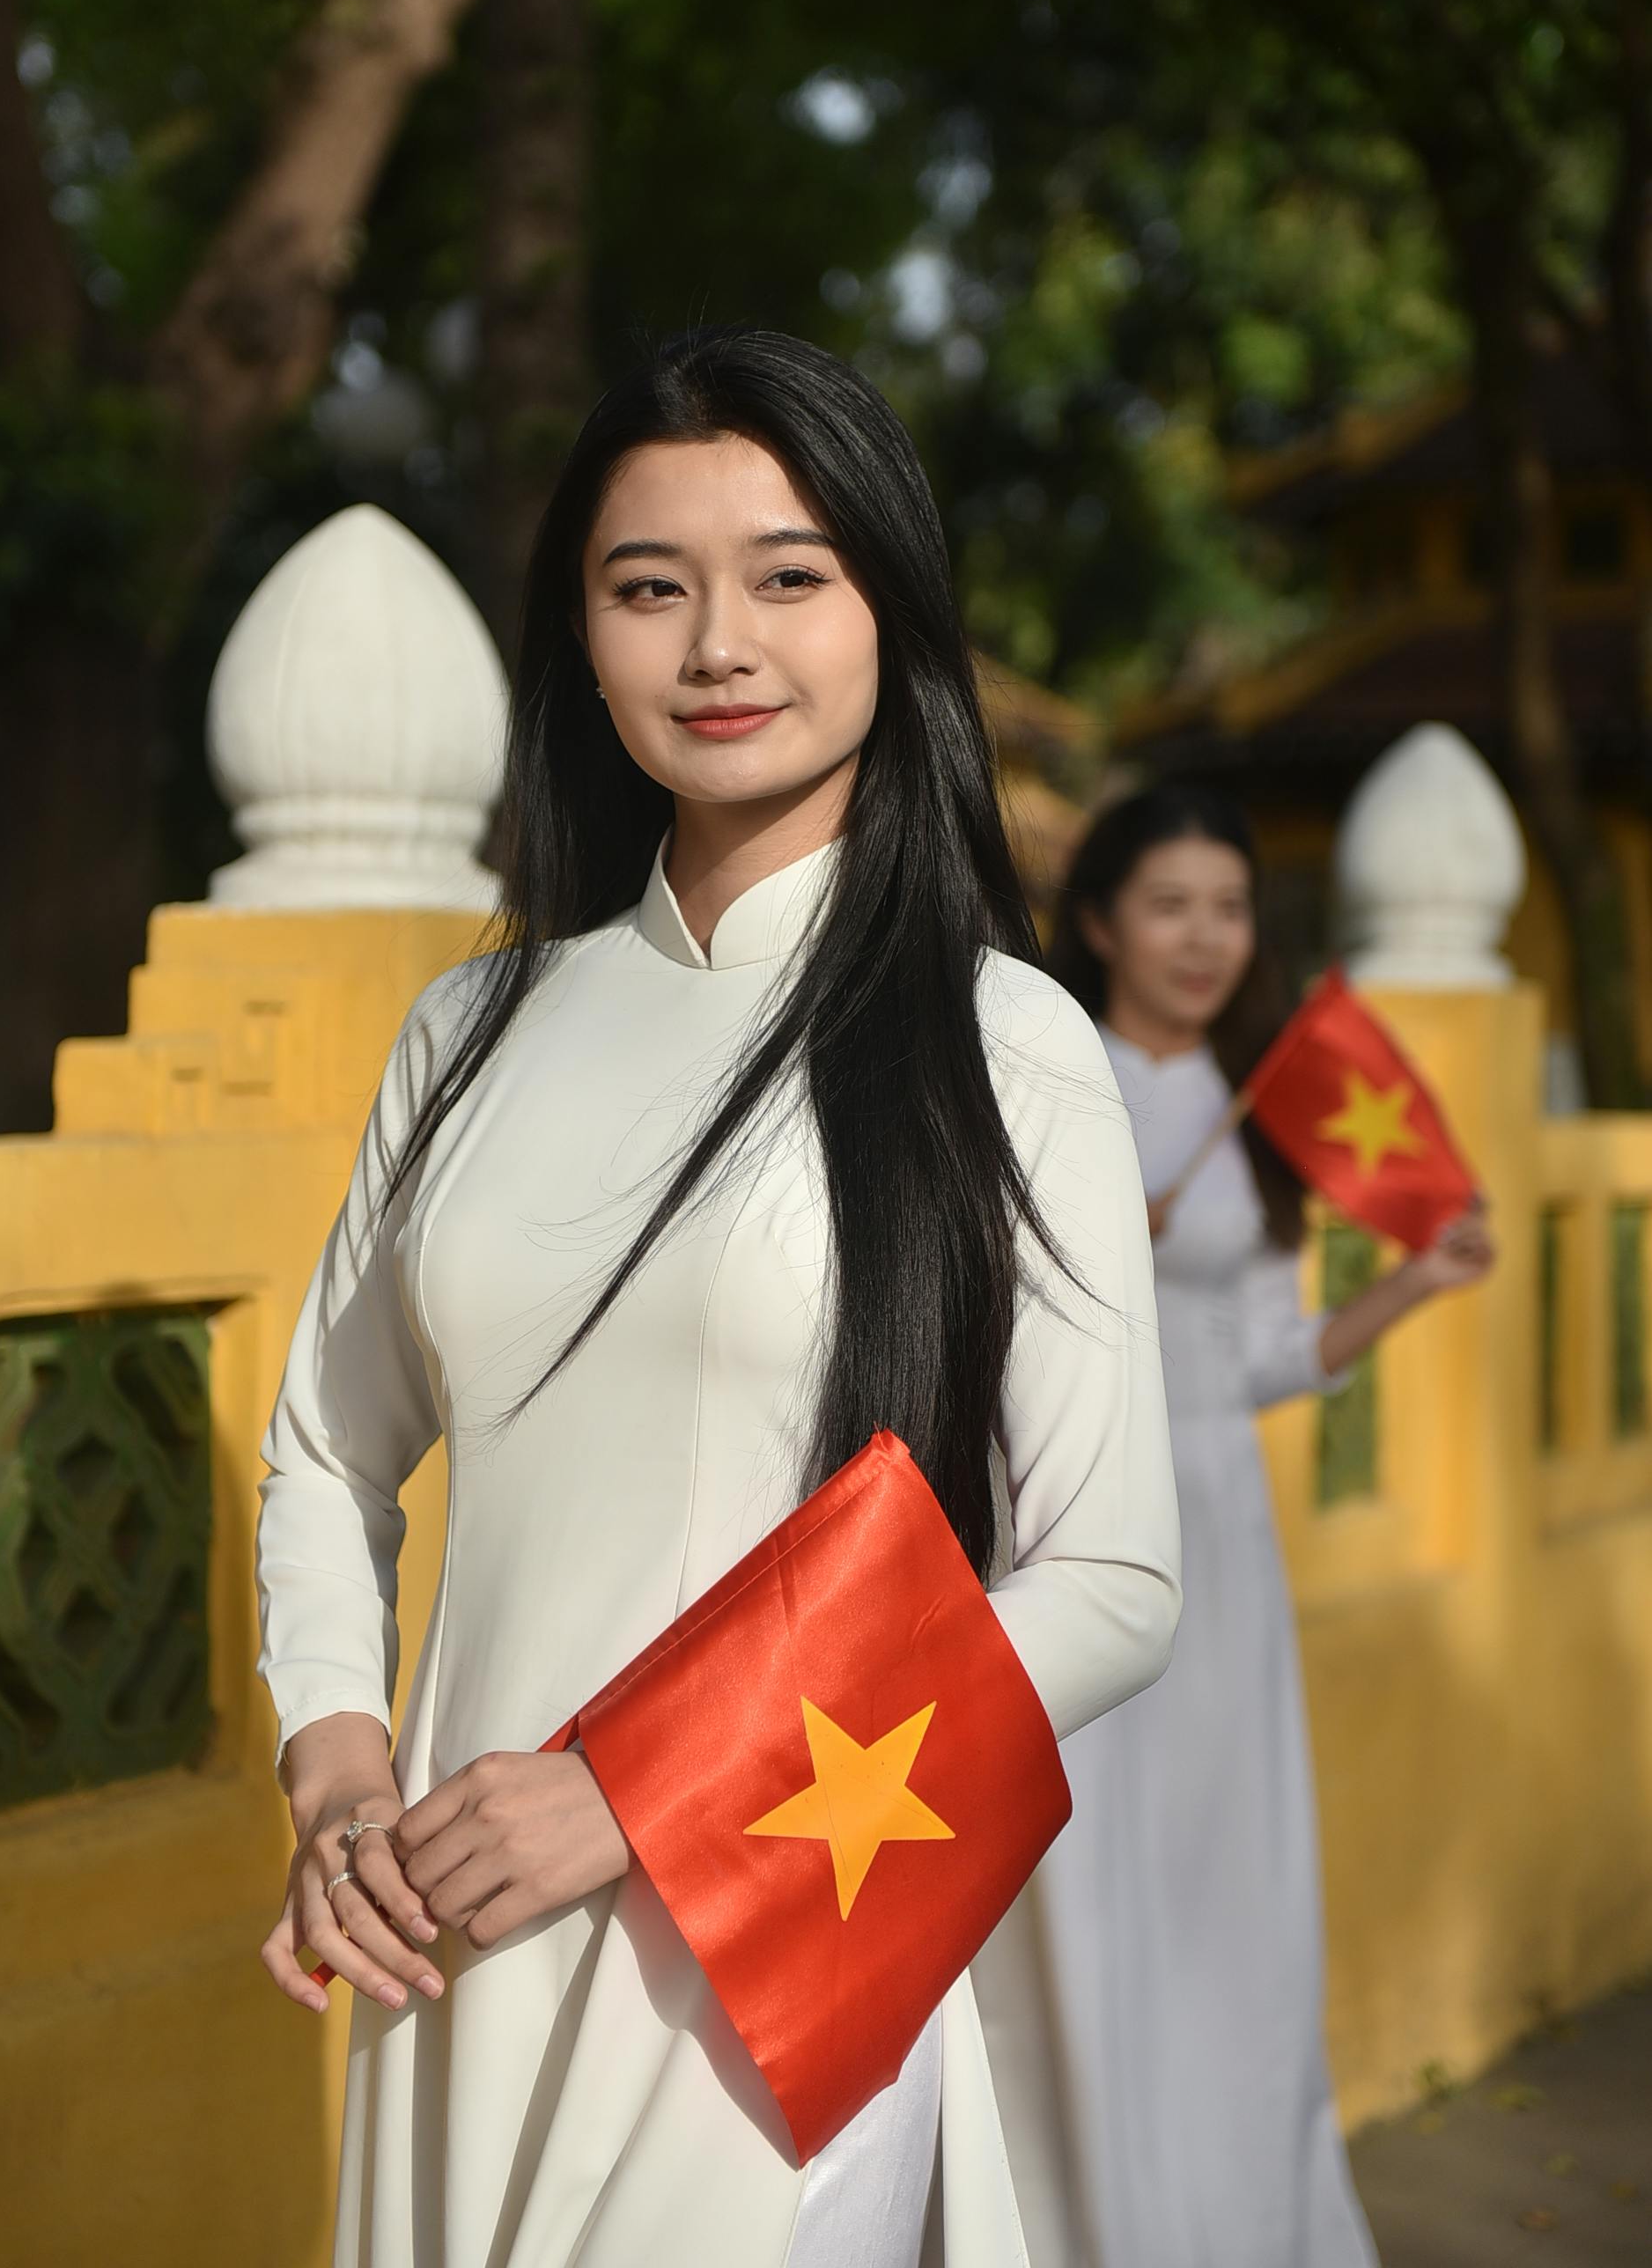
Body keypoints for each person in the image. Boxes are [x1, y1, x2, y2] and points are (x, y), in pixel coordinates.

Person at [254, 327, 1182, 2268]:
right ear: (581, 643)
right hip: (454, 1922)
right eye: (648, 588)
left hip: (768, 1945)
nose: (718, 646)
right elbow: (330, 1451)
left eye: (787, 576)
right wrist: (339, 1775)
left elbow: (1108, 1581)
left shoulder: (999, 1042)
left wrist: (633, 1796)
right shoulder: (469, 1032)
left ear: (889, 616)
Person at [1033, 783, 1494, 2268]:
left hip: (1218, 1530)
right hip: (1063, 1520)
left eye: (1228, 909)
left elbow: (1261, 1359)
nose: (1203, 939)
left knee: (1225, 1881)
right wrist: (1097, 1238)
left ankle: (1234, 2217)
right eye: (1169, 906)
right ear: (1099, 922)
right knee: (1079, 1873)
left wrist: (1414, 1283)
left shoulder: (1256, 1110)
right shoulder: (1039, 1075)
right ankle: (1087, 2213)